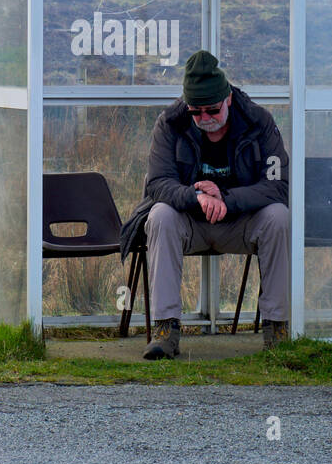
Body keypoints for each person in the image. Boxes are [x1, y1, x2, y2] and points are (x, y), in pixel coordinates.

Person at [124, 49, 290, 360]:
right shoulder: (169, 123)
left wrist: (226, 198)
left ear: (228, 98)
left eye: (212, 110)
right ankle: (165, 329)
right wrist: (196, 196)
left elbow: (278, 185)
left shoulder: (259, 122)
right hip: (190, 221)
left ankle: (277, 327)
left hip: (241, 221)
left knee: (279, 217)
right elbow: (158, 183)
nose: (205, 119)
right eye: (196, 112)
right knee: (159, 215)